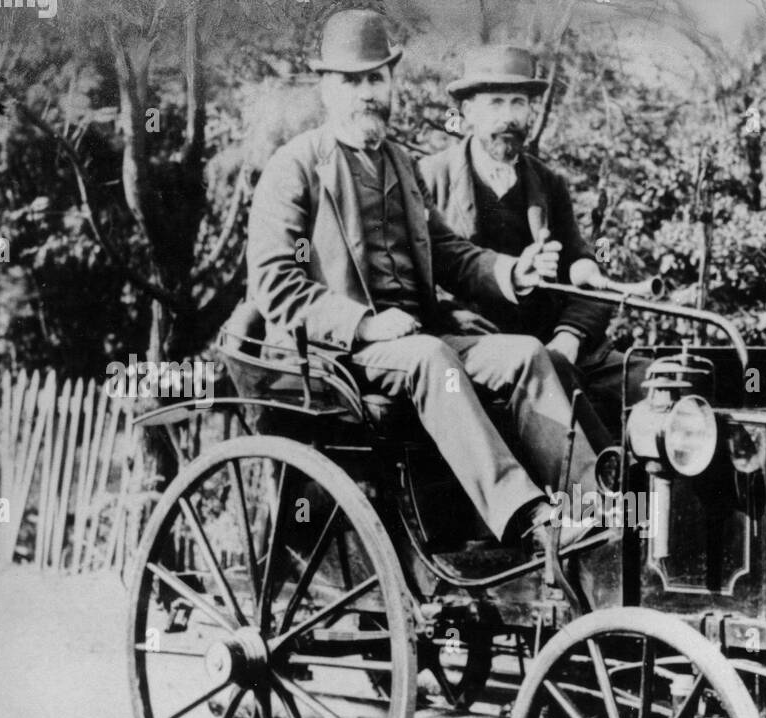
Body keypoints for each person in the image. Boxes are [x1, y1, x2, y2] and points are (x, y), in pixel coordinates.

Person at [246, 10, 600, 551]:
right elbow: (275, 285)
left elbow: (449, 252)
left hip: (416, 339)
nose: (368, 93)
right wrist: (365, 324)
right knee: (434, 361)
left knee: (528, 353)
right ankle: (524, 514)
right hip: (335, 355)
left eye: (377, 78)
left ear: (391, 82)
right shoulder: (295, 168)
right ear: (327, 89)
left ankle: (592, 507)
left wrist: (511, 271)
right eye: (353, 81)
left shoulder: (400, 165)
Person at [417, 45, 647, 439]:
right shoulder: (428, 179)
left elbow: (587, 275)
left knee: (662, 388)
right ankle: (603, 492)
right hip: (478, 356)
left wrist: (570, 336)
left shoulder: (548, 183)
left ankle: (687, 501)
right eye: (496, 103)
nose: (509, 117)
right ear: (468, 112)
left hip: (558, 349)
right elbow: (419, 280)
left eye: (519, 103)